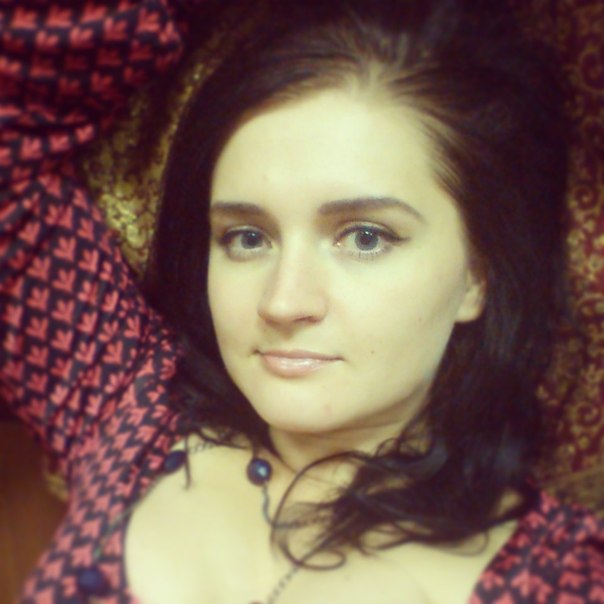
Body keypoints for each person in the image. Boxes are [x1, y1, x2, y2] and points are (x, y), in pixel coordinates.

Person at [1, 0, 603, 603]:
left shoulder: (562, 579)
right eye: (247, 238)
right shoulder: (127, 402)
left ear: (477, 275)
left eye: (365, 238)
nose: (283, 303)